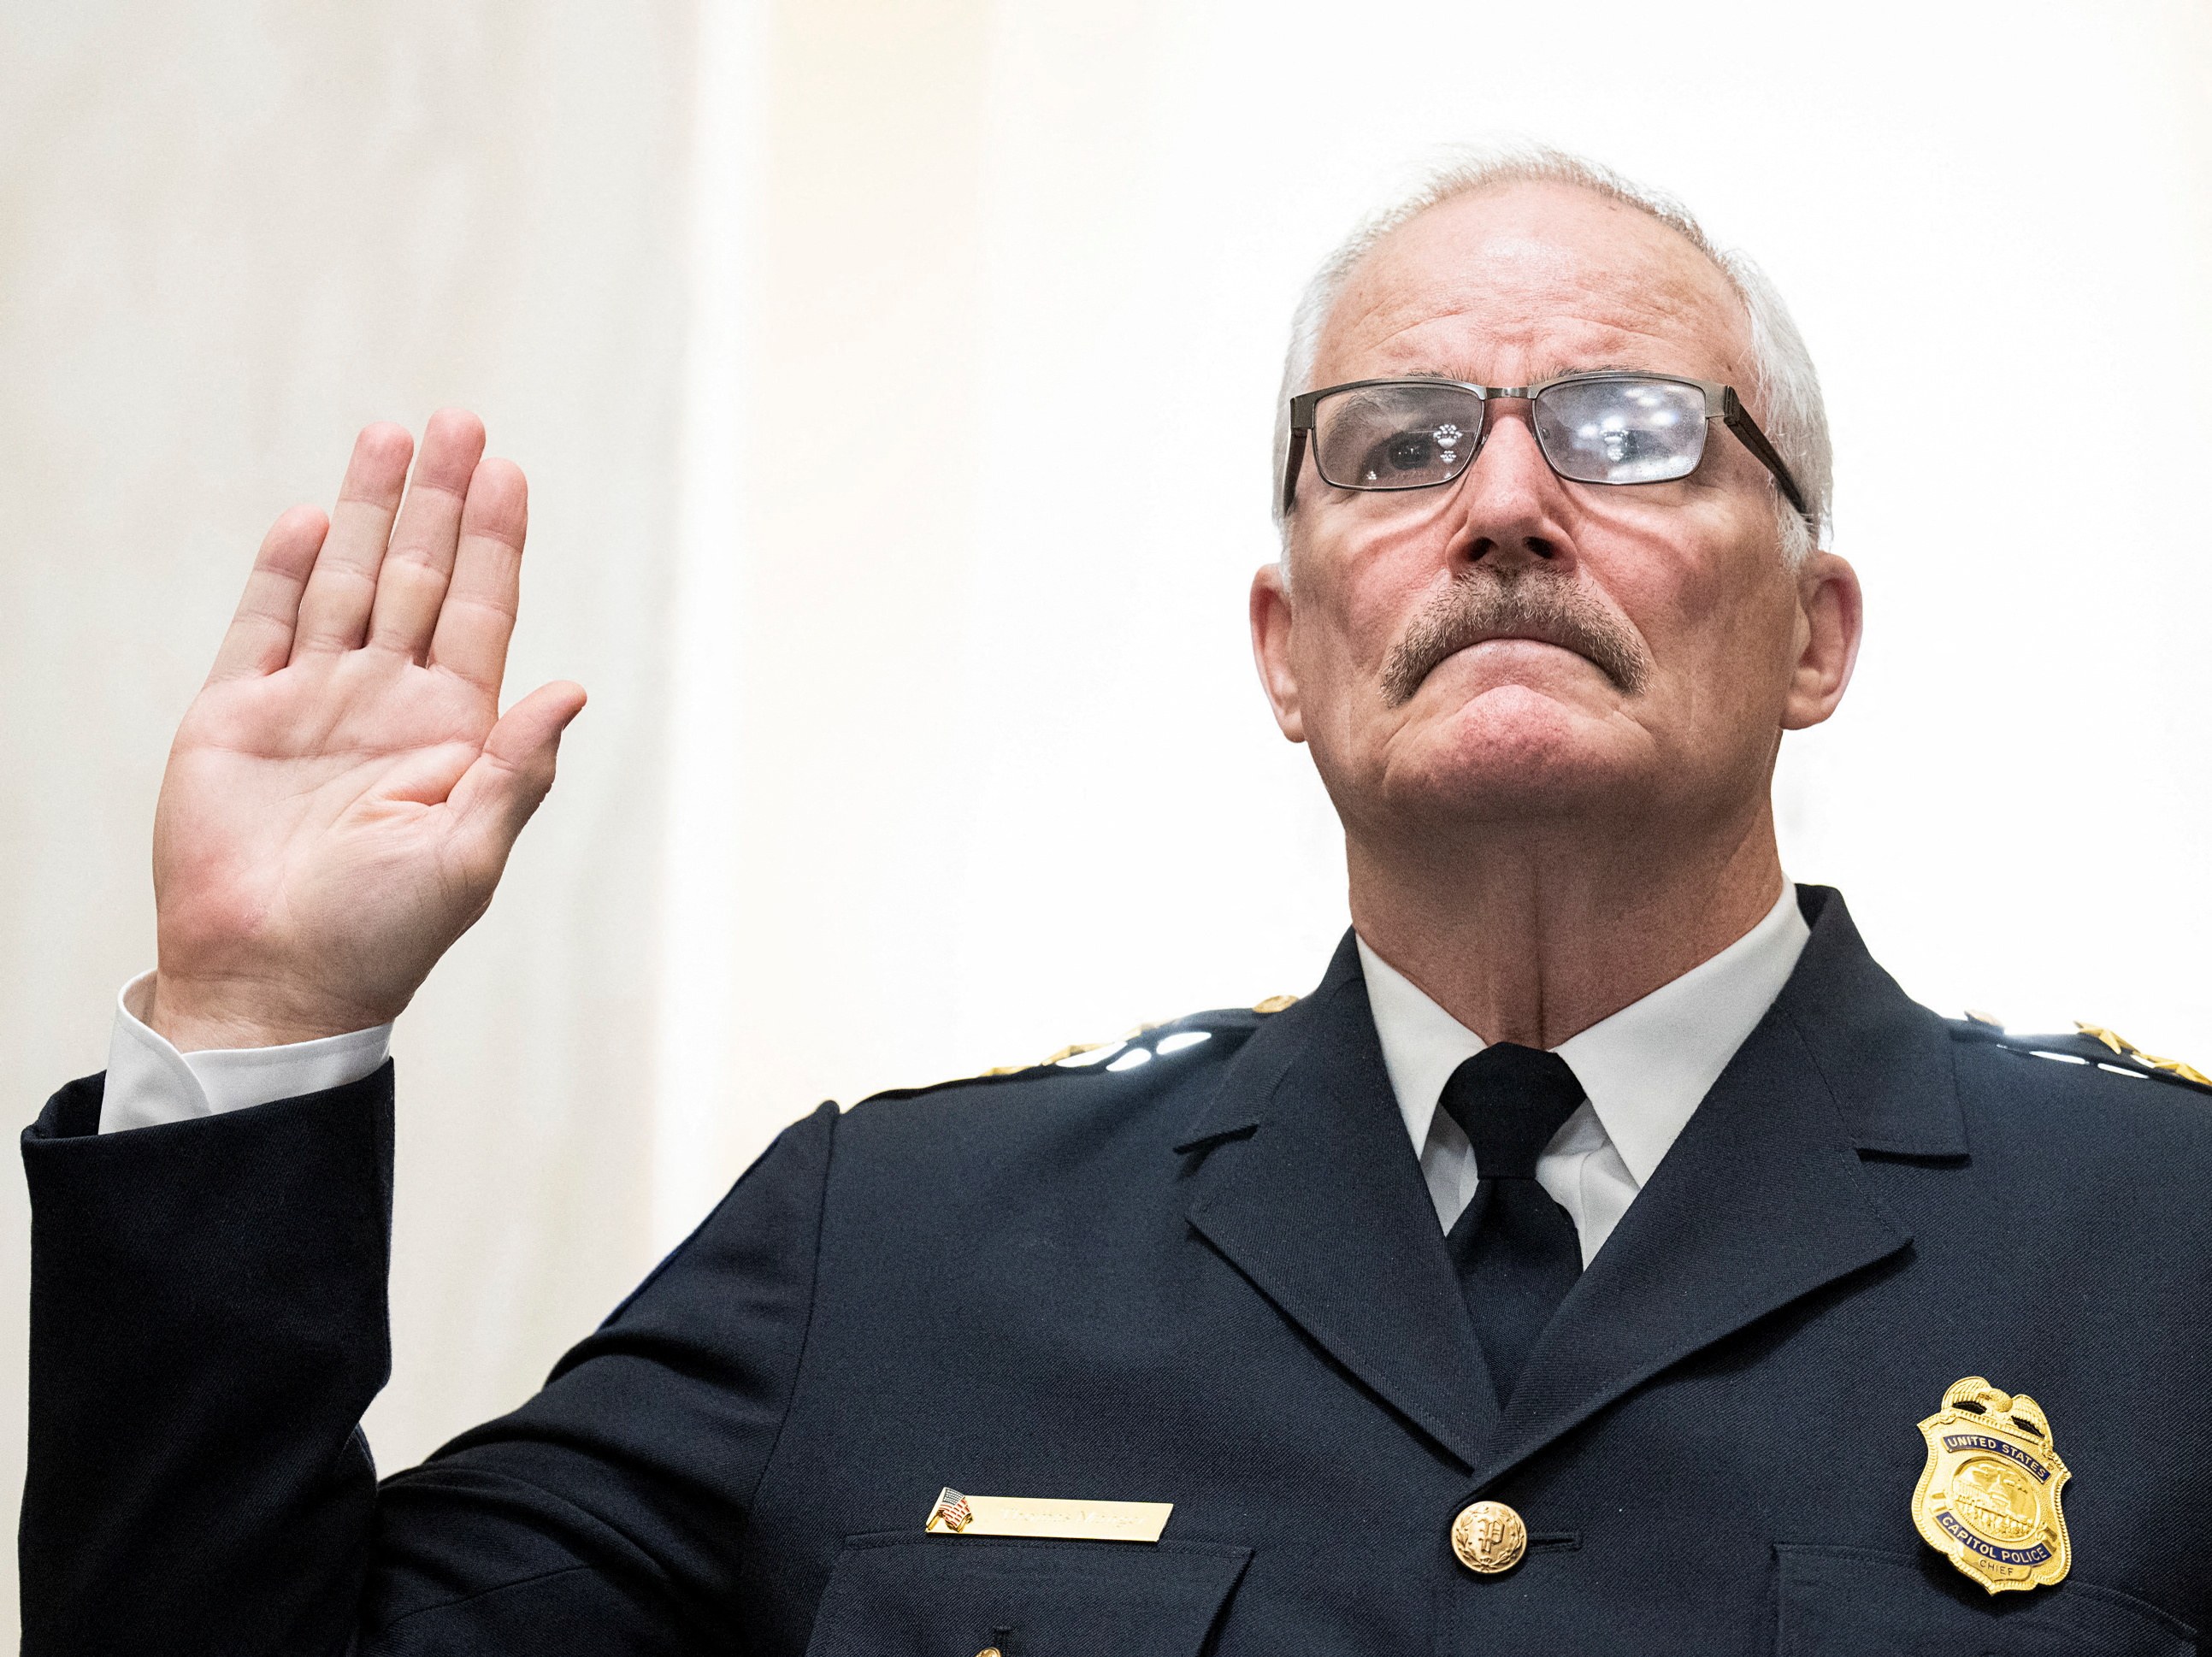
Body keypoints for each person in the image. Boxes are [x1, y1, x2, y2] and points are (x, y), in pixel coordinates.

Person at [20, 144, 2212, 1657]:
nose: (1511, 506)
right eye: (1396, 444)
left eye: (1634, 430)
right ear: (1288, 648)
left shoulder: (2166, 1247)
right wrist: (255, 1009)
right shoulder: (890, 1246)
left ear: (1815, 629)